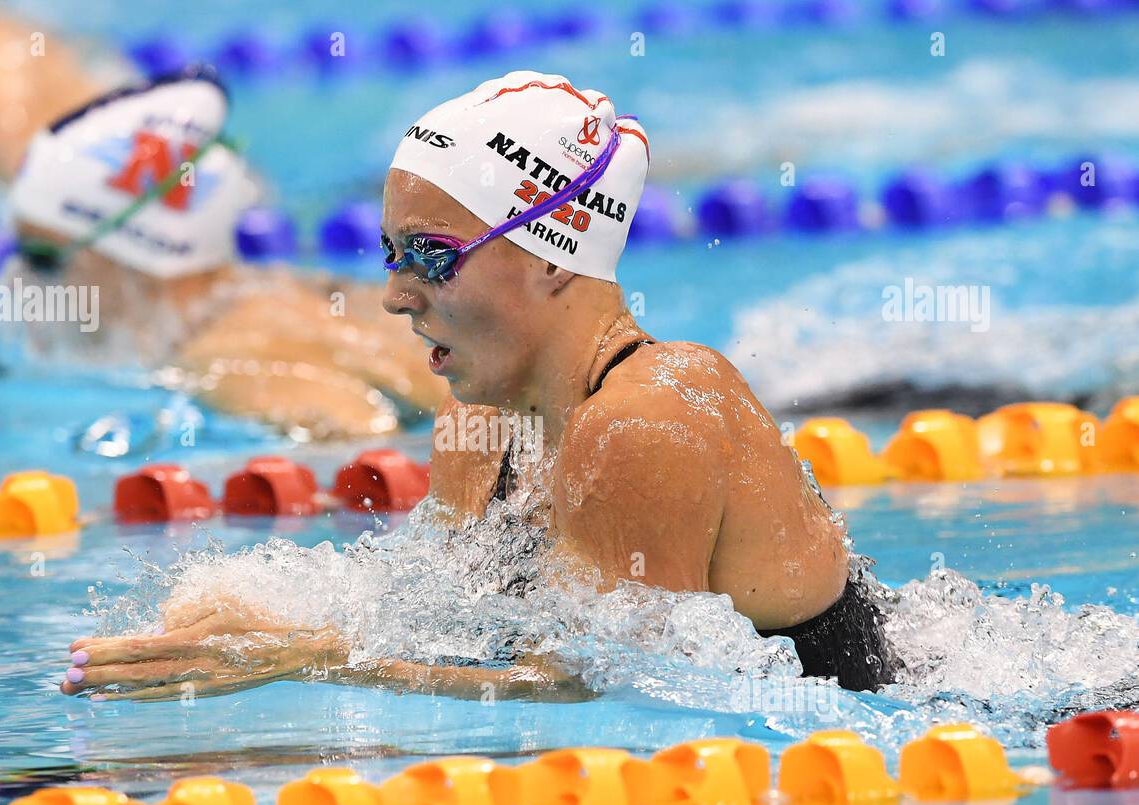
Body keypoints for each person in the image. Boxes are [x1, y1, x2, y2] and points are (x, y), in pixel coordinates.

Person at [61, 71, 895, 702]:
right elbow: (458, 633)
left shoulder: (647, 420)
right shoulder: (479, 429)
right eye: (389, 253)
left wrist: (310, 662)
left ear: (552, 256)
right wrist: (248, 622)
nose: (393, 294)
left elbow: (610, 696)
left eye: (430, 256)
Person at [0, 0, 443, 439]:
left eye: (46, 260)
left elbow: (361, 448)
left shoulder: (223, 361)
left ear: (125, 258)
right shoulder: (316, 293)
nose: (21, 283)